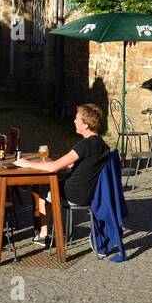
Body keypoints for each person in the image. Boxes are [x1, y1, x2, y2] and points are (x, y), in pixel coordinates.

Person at [15, 103, 111, 246]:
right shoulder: (102, 145)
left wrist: (26, 163)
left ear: (85, 125)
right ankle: (46, 232)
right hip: (91, 193)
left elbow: (53, 167)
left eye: (77, 119)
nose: (74, 121)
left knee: (42, 189)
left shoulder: (84, 145)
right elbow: (82, 165)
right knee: (54, 181)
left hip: (76, 194)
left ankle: (43, 235)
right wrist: (67, 166)